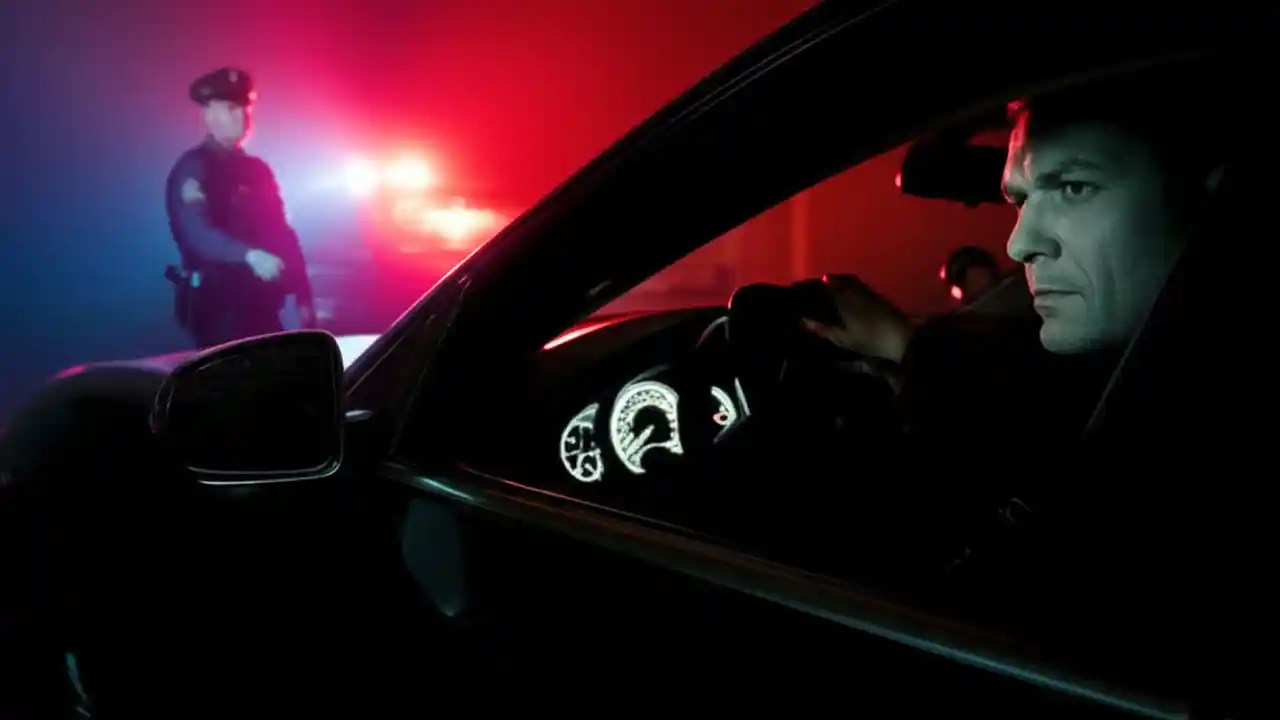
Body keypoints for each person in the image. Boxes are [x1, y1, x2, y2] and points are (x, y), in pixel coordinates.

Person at [165, 67, 315, 348]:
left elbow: (281, 232)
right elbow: (197, 232)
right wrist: (248, 255)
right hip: (218, 307)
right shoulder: (195, 168)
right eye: (232, 109)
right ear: (208, 116)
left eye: (245, 108)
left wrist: (303, 294)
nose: (242, 117)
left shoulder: (257, 171)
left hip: (261, 303)